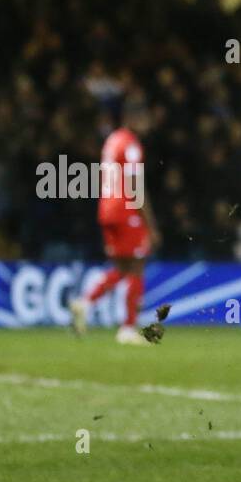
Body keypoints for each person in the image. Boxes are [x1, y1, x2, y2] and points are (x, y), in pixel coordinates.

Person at [69, 101, 161, 344]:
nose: (147, 124)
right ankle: (128, 329)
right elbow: (134, 185)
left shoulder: (112, 140)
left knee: (122, 268)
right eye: (144, 119)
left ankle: (84, 303)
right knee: (138, 264)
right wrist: (150, 225)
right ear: (132, 118)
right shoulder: (131, 144)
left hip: (107, 208)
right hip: (125, 209)